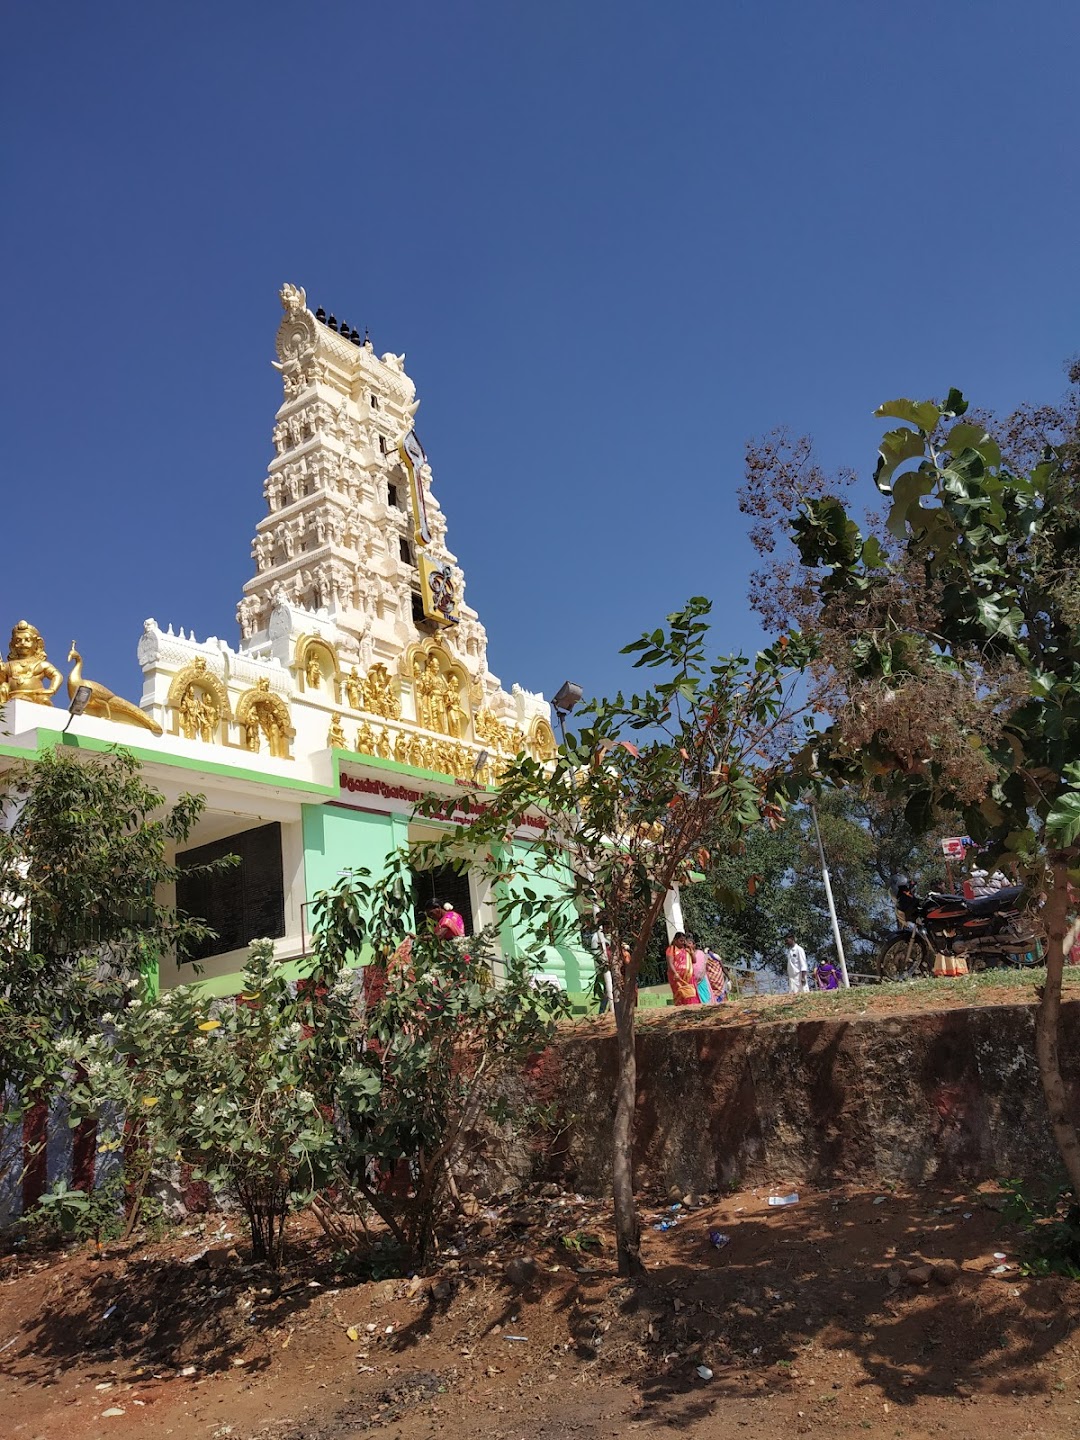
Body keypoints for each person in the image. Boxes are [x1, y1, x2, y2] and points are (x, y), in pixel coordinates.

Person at [665, 931, 700, 1006]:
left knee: (690, 992)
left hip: (689, 976)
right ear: (675, 940)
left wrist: (691, 950)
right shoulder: (671, 949)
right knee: (680, 992)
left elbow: (694, 961)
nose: (683, 942)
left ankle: (693, 1006)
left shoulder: (686, 950)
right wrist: (675, 973)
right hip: (677, 977)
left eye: (684, 940)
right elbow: (670, 963)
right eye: (681, 940)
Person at [687, 933, 714, 1004]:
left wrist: (700, 976)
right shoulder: (686, 956)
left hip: (702, 980)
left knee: (705, 996)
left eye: (690, 943)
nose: (688, 945)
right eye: (687, 944)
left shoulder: (700, 953)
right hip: (692, 981)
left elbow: (703, 966)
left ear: (694, 945)